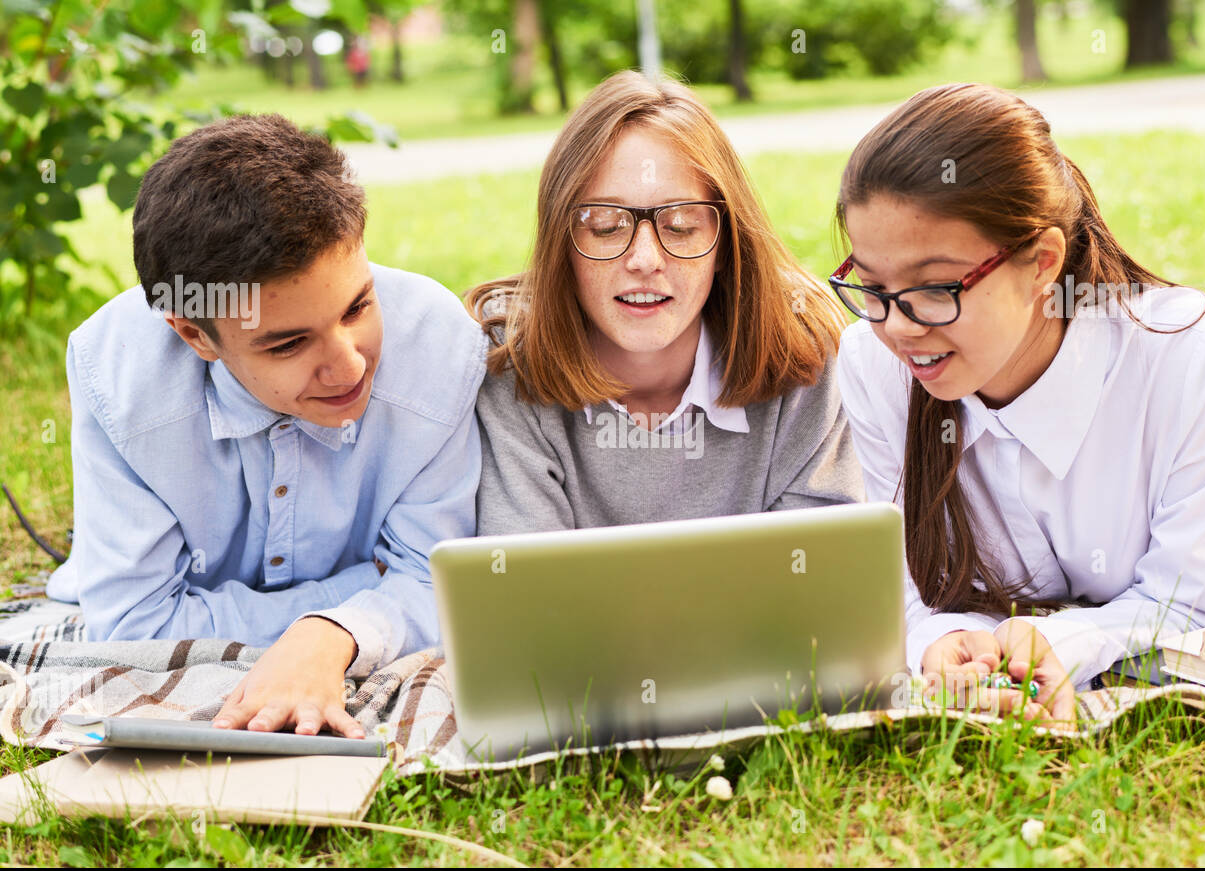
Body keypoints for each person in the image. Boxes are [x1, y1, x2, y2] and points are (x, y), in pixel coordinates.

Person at [831, 83, 1205, 726]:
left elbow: (1182, 599)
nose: (897, 327)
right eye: (872, 287)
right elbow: (899, 591)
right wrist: (939, 643)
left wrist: (1058, 645)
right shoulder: (871, 362)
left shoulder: (1197, 353)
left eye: (933, 287)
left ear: (1042, 261)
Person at [44, 114, 486, 737]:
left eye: (358, 306)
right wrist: (360, 604)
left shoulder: (438, 348)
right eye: (288, 345)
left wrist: (329, 638)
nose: (350, 363)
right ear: (194, 334)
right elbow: (133, 630)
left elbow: (444, 583)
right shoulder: (115, 376)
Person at [466, 70, 863, 535]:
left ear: (725, 245)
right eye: (605, 225)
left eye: (681, 225)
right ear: (562, 244)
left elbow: (818, 576)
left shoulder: (801, 348)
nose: (644, 260)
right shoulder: (508, 359)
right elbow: (527, 587)